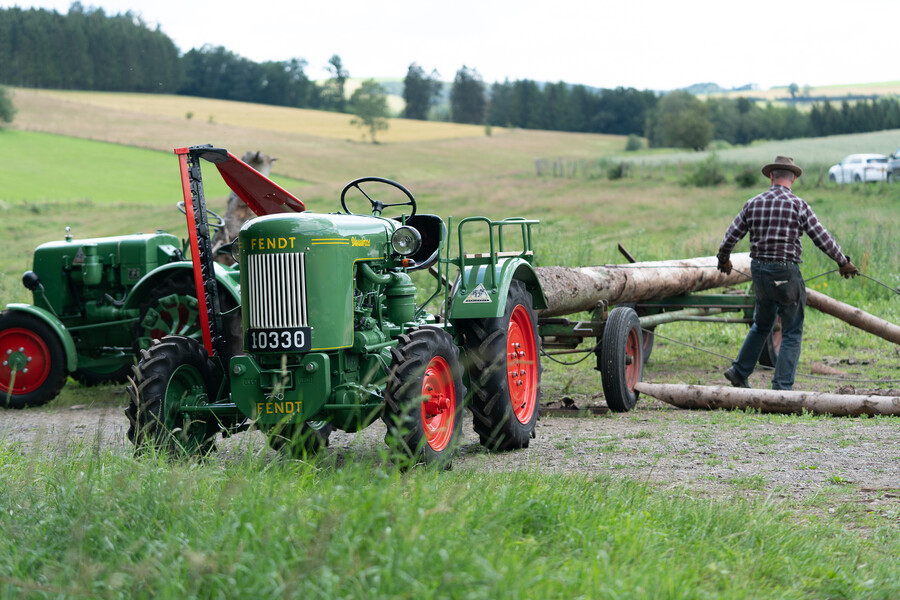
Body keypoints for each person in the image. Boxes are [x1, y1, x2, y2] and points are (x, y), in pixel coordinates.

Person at [716, 156, 859, 390]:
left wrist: (723, 259)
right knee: (792, 330)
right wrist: (842, 262)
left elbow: (731, 235)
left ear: (771, 177)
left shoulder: (753, 203)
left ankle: (739, 371)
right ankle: (782, 387)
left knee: (761, 324)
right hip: (786, 272)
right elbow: (821, 237)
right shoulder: (799, 205)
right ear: (793, 178)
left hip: (759, 272)